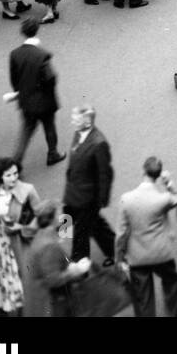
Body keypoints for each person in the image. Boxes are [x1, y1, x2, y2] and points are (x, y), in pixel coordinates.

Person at [115, 157, 177, 317]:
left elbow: (121, 234)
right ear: (159, 175)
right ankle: (174, 310)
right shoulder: (164, 199)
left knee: (143, 298)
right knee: (173, 281)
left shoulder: (127, 199)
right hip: (162, 253)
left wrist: (119, 259)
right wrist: (168, 183)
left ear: (142, 170)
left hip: (138, 256)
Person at [0, 157, 40, 315]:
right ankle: (2, 311)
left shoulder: (28, 190)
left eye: (15, 173)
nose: (13, 178)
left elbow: (41, 216)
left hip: (17, 244)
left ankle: (21, 313)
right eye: (8, 175)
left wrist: (23, 227)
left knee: (19, 282)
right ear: (0, 177)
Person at [63, 105, 115, 265]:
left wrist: (101, 200)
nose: (72, 121)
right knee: (84, 222)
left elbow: (104, 174)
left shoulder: (99, 144)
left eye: (76, 119)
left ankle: (78, 263)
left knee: (81, 231)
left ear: (87, 121)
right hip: (72, 191)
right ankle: (114, 248)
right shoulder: (78, 133)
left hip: (87, 197)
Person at [9, 15, 64, 166]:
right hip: (44, 101)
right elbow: (51, 77)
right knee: (49, 126)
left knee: (26, 131)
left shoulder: (15, 54)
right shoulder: (42, 54)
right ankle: (53, 154)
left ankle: (16, 161)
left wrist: (20, 91)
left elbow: (14, 79)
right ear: (37, 30)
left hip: (26, 100)